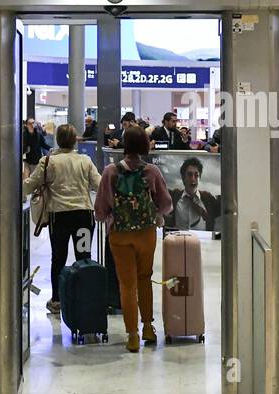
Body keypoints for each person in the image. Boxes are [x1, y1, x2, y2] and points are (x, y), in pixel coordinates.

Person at [94, 126, 173, 352]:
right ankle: (148, 327)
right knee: (144, 278)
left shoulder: (111, 171)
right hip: (146, 233)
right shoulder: (152, 172)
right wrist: (156, 212)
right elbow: (166, 205)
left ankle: (132, 336)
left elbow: (99, 210)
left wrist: (110, 216)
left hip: (119, 234)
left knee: (126, 285)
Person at [22, 124, 102, 314]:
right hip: (83, 214)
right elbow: (99, 185)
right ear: (75, 140)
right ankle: (85, 297)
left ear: (57, 140)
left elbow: (29, 186)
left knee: (58, 258)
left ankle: (57, 300)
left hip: (60, 216)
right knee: (84, 257)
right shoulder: (85, 160)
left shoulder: (48, 161)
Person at [167, 156, 220, 232]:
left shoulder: (208, 198)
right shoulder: (174, 196)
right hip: (179, 240)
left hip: (204, 242)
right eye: (189, 174)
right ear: (183, 177)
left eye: (196, 175)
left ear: (200, 177)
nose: (193, 179)